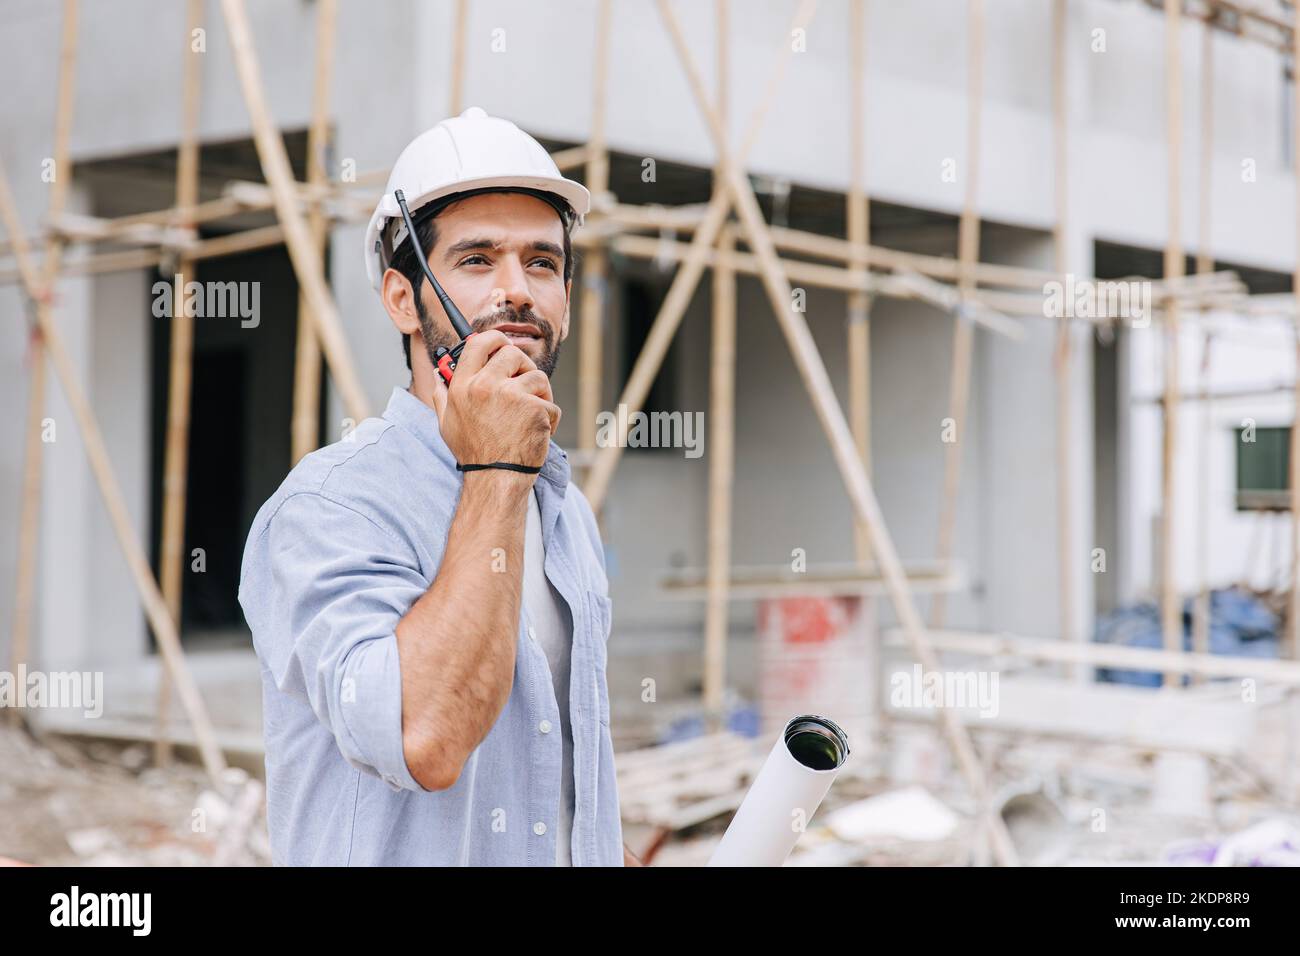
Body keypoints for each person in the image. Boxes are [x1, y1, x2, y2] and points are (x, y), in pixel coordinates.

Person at [239, 107, 640, 866]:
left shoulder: (562, 507)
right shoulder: (328, 509)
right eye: (478, 259)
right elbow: (424, 737)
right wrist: (493, 473)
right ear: (402, 298)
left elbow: (556, 780)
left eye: (543, 262)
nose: (517, 291)